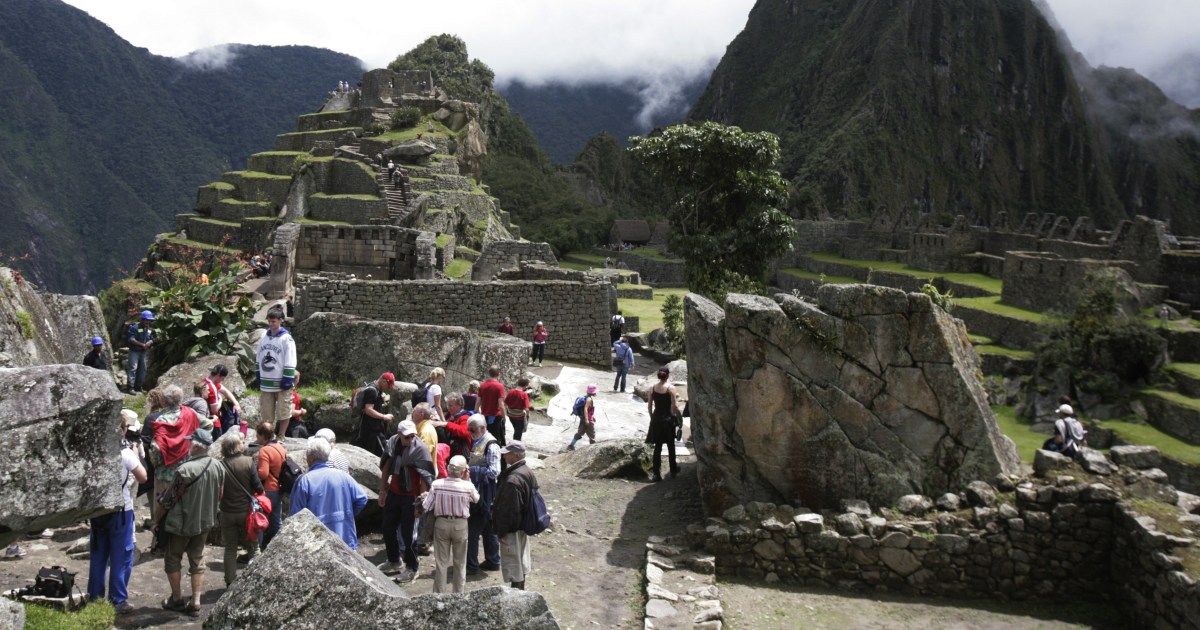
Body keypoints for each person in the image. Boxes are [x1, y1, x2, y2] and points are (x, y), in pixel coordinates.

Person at [156, 429, 224, 617]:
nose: (187, 445)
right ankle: (195, 601)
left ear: (195, 446)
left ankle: (177, 599)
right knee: (197, 559)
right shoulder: (218, 466)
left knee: (173, 558)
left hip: (182, 524)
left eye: (189, 442)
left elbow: (168, 500)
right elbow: (220, 495)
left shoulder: (185, 470)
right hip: (205, 522)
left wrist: (156, 520)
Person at [87, 410, 148, 615]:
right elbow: (143, 477)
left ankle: (94, 597)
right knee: (121, 556)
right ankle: (117, 599)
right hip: (121, 510)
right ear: (122, 431)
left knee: (98, 555)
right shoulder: (125, 453)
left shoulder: (95, 452)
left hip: (98, 509)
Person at [378, 420, 434, 583]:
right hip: (395, 492)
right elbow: (386, 467)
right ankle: (394, 560)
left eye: (412, 436)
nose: (410, 440)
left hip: (412, 496)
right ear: (399, 434)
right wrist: (382, 491)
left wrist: (420, 503)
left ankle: (412, 567)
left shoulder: (420, 449)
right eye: (407, 437)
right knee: (387, 527)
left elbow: (425, 477)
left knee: (409, 535)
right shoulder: (393, 443)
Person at [291, 437, 369, 550]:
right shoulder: (343, 476)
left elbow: (296, 515)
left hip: (316, 542)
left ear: (312, 457)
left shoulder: (305, 480)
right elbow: (362, 498)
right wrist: (348, 514)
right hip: (345, 538)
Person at [142, 385, 202, 523]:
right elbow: (208, 425)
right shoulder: (190, 413)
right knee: (183, 507)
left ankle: (160, 539)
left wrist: (156, 464)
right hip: (187, 469)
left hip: (165, 472)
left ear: (164, 401)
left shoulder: (161, 421)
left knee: (163, 506)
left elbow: (156, 449)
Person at [422, 455, 477, 593]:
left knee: (441, 563)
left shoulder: (437, 484)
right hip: (460, 524)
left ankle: (438, 595)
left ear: (448, 469)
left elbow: (427, 505)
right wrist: (467, 479)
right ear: (464, 471)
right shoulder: (468, 486)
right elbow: (476, 499)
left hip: (441, 523)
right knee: (460, 562)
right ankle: (458, 594)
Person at [216, 431, 262, 587]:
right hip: (246, 512)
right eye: (241, 443)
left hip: (227, 512)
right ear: (237, 446)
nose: (244, 444)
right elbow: (259, 488)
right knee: (253, 546)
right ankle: (257, 581)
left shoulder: (220, 465)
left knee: (230, 548)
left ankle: (230, 581)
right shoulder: (248, 462)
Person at [493, 440, 537, 590]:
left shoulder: (513, 479)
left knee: (514, 564)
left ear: (515, 456)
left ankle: (516, 597)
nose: (504, 457)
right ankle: (520, 591)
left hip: (513, 528)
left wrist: (502, 532)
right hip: (523, 525)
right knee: (521, 561)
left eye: (507, 454)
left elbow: (509, 510)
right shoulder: (527, 470)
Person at [465, 414, 501, 575]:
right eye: (469, 429)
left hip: (485, 493)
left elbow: (494, 471)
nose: (470, 432)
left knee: (473, 531)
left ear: (483, 428)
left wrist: (471, 471)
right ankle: (493, 560)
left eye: (472, 429)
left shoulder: (491, 445)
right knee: (488, 528)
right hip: (479, 490)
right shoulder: (478, 440)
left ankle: (471, 565)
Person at [257, 305, 297, 439]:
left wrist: (288, 377)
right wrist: (258, 371)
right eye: (269, 321)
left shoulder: (286, 339)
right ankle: (269, 436)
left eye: (273, 321)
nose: (271, 324)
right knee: (266, 412)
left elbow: (290, 358)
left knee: (284, 411)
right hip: (267, 381)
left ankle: (281, 435)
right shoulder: (264, 336)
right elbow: (259, 355)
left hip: (281, 381)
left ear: (281, 321)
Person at [255, 421, 288, 549]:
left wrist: (253, 475)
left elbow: (263, 473)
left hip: (268, 490)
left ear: (263, 435)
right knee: (276, 521)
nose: (257, 438)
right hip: (278, 489)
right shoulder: (280, 448)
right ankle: (277, 549)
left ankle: (258, 550)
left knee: (260, 521)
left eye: (258, 435)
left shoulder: (265, 450)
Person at [646, 368, 682, 481]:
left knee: (658, 446)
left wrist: (652, 417)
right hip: (668, 420)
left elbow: (649, 406)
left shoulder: (652, 388)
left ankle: (656, 473)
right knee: (671, 445)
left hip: (656, 419)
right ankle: (673, 470)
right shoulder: (670, 388)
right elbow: (674, 407)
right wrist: (679, 417)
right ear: (667, 376)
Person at [352, 372, 396, 456]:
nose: (388, 388)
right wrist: (384, 417)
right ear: (383, 381)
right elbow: (368, 410)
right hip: (372, 430)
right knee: (385, 455)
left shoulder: (374, 387)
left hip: (367, 429)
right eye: (388, 386)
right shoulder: (372, 391)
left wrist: (380, 396)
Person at [203, 364, 242, 439]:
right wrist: (220, 400)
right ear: (218, 375)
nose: (223, 380)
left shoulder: (205, 381)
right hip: (213, 423)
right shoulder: (212, 388)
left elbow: (224, 390)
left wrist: (236, 403)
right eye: (223, 378)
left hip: (203, 420)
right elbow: (214, 410)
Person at [433, 391, 472, 459]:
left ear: (459, 405)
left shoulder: (465, 417)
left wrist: (446, 424)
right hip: (451, 451)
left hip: (460, 455)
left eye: (450, 405)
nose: (448, 407)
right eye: (447, 405)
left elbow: (465, 432)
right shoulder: (450, 415)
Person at [126, 310, 154, 392]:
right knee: (133, 368)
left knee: (143, 369)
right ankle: (130, 387)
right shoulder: (134, 327)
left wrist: (150, 342)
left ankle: (138, 387)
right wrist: (142, 345)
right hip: (134, 351)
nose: (148, 321)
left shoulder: (149, 329)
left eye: (149, 320)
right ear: (142, 319)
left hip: (144, 352)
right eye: (146, 320)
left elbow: (152, 338)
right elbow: (131, 339)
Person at [479, 366, 507, 446]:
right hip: (495, 416)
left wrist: (476, 413)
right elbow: (501, 405)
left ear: (488, 373)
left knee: (485, 437)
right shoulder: (500, 386)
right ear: (499, 374)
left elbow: (478, 402)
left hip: (484, 416)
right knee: (496, 438)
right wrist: (504, 417)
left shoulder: (482, 385)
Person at [566, 385, 598, 451]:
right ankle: (593, 449)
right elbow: (586, 409)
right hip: (588, 420)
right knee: (592, 435)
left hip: (583, 419)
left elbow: (589, 410)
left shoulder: (586, 397)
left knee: (580, 433)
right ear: (594, 392)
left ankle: (571, 445)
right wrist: (587, 419)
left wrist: (593, 416)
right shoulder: (589, 399)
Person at [286, 371, 309, 439]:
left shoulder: (282, 393)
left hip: (282, 423)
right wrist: (302, 412)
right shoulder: (293, 395)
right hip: (293, 424)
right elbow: (292, 412)